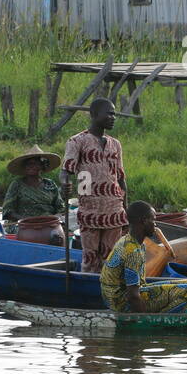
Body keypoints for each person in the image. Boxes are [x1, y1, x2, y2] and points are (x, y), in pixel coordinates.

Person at [62, 98, 128, 273]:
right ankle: (89, 287)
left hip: (114, 209)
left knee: (112, 258)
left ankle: (109, 290)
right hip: (90, 209)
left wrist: (125, 208)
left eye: (114, 114)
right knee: (90, 258)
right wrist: (65, 184)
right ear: (94, 115)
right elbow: (66, 170)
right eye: (109, 113)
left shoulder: (115, 144)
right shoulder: (77, 141)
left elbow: (120, 177)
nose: (113, 117)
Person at [101, 201, 187, 313]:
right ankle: (157, 322)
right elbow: (133, 296)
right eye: (153, 220)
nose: (155, 224)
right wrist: (144, 319)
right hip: (120, 303)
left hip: (120, 298)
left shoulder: (131, 241)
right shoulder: (132, 251)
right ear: (143, 221)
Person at [1, 145, 65, 242]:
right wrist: (28, 221)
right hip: (23, 226)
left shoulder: (50, 184)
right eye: (27, 164)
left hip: (48, 225)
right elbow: (8, 211)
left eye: (34, 164)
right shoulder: (17, 184)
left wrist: (54, 219)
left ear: (42, 166)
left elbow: (61, 209)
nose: (30, 167)